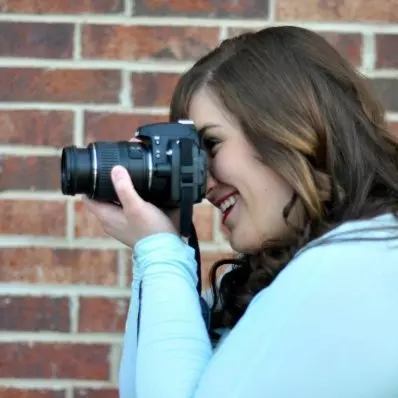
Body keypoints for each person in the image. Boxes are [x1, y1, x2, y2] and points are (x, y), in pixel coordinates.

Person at [84, 25, 398, 398]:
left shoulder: (346, 267)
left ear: (289, 129)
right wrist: (156, 252)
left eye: (211, 144)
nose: (203, 181)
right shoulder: (315, 265)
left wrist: (160, 253)